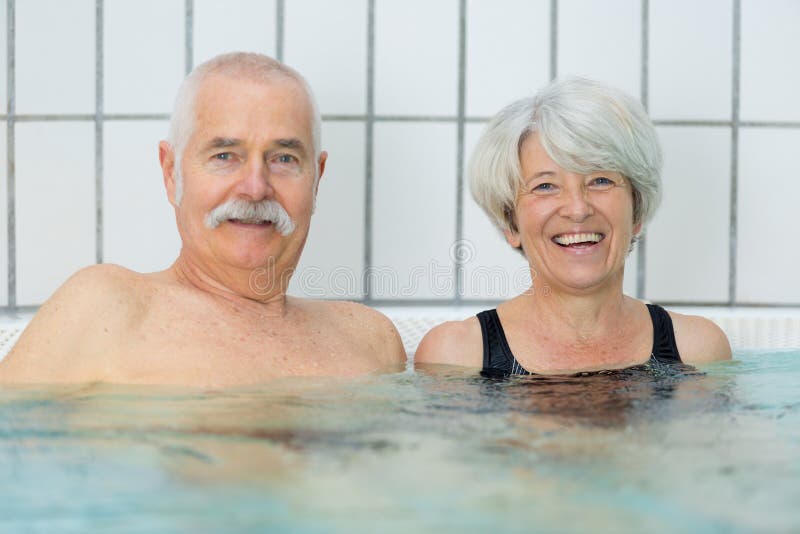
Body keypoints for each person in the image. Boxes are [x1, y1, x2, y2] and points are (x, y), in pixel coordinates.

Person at [0, 52, 405, 386]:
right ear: (171, 171)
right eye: (224, 156)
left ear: (317, 178)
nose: (255, 187)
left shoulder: (370, 341)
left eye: (284, 158)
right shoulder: (104, 308)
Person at [415, 77, 730, 375]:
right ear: (510, 222)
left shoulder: (696, 351)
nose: (578, 209)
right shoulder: (457, 357)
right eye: (545, 186)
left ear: (636, 213)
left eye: (601, 180)